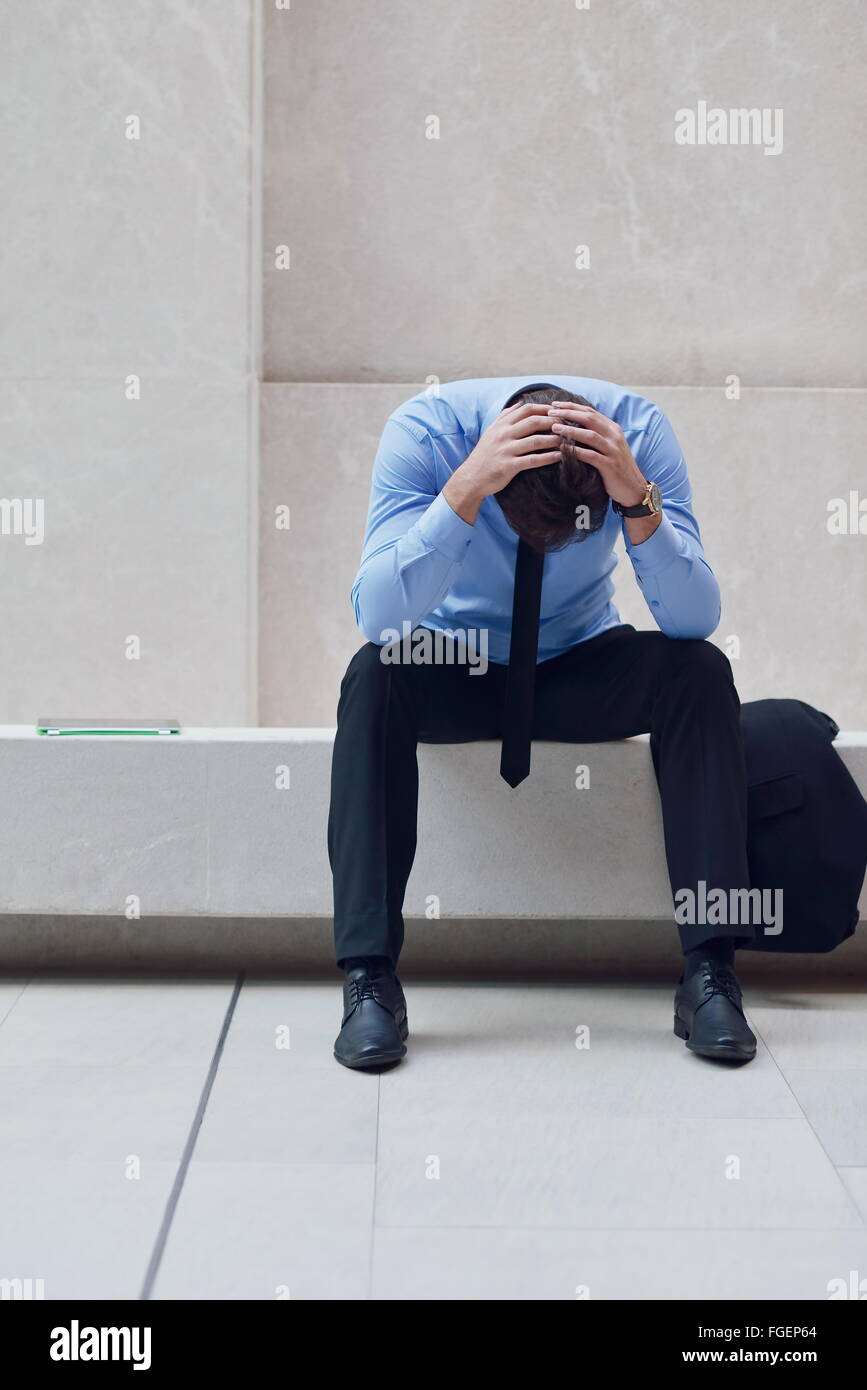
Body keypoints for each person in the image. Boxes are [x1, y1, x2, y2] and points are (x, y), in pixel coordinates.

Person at [328, 376, 757, 1069]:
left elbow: (692, 617)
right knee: (374, 673)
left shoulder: (638, 433)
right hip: (454, 664)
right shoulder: (426, 433)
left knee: (698, 670)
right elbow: (379, 618)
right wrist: (463, 490)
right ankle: (369, 979)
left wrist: (637, 500)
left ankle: (711, 972)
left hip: (575, 660)